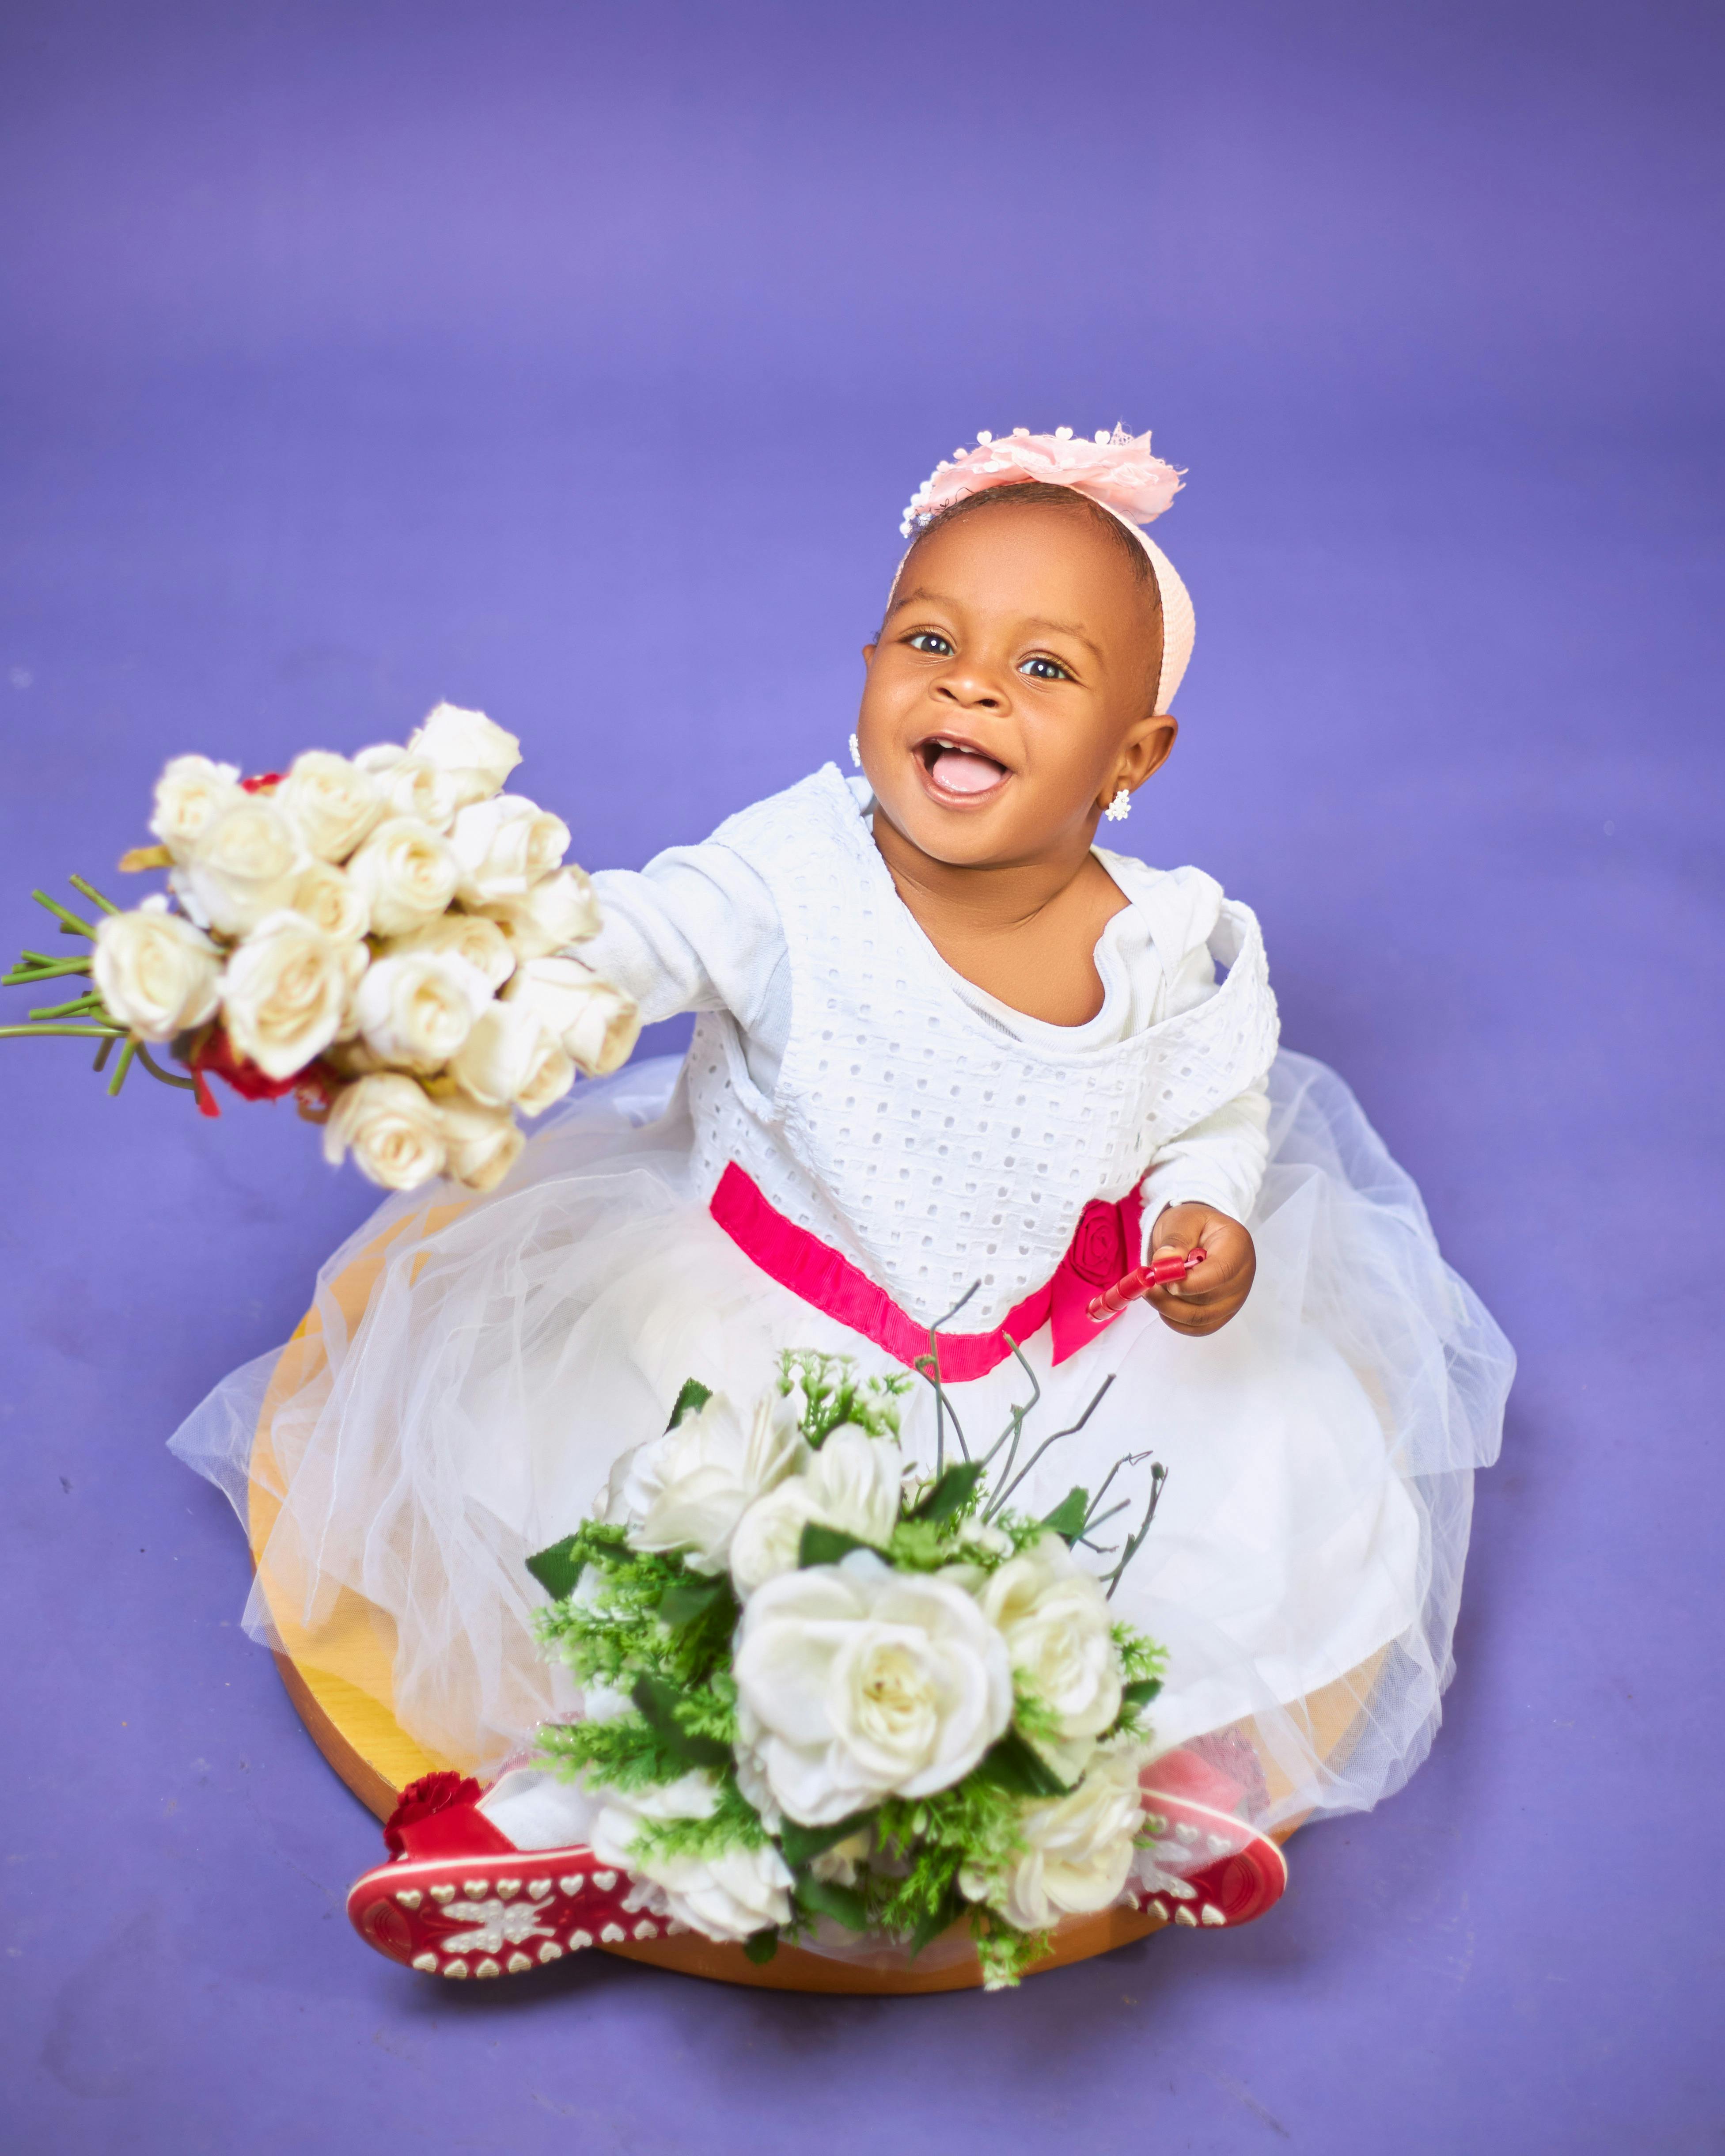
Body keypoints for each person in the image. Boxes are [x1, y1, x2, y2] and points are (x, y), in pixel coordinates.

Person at [174, 426, 1512, 1970]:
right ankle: (561, 1823)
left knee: (1140, 1556)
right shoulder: (788, 879)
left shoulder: (1166, 944)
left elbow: (1205, 1108)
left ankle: (1127, 1788)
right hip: (748, 1335)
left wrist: (1204, 1212)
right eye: (930, 641)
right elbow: (635, 938)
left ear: (1134, 759)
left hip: (1050, 1364)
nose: (970, 687)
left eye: (1044, 669)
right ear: (869, 664)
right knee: (676, 1579)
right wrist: (472, 953)